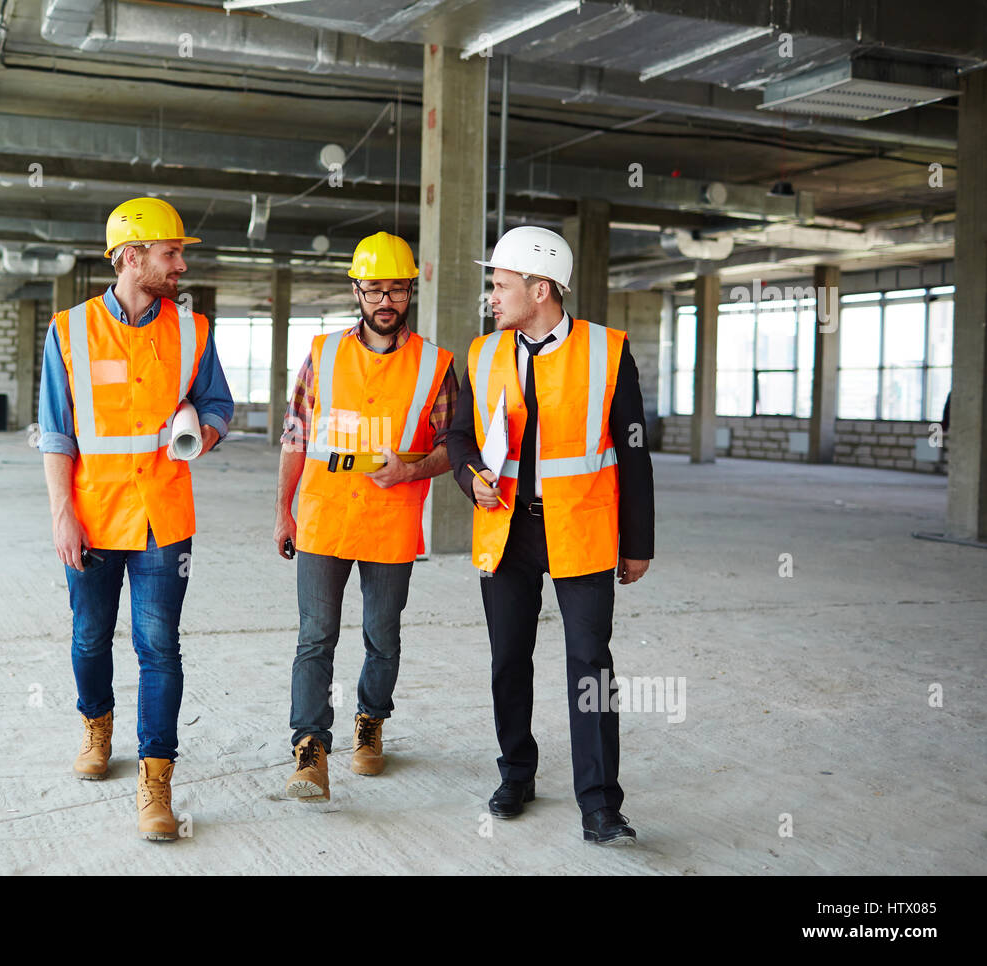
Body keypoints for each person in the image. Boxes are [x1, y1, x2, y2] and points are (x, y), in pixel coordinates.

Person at [445, 225, 654, 844]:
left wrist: (637, 542)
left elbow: (635, 453)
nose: (492, 295)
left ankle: (600, 804)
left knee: (590, 665)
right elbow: (460, 436)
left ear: (541, 290)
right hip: (505, 534)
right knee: (509, 660)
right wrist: (471, 475)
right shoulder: (483, 354)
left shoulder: (609, 351)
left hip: (582, 531)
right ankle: (516, 771)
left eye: (501, 284)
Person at [36, 197, 233, 841]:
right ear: (131, 257)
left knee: (159, 649)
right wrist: (63, 515)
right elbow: (58, 435)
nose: (181, 264)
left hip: (163, 519)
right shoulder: (69, 331)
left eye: (180, 254)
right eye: (171, 253)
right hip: (93, 518)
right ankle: (97, 725)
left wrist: (201, 432)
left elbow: (218, 404)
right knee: (90, 639)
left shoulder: (194, 329)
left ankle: (157, 780)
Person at [274, 231, 458, 801]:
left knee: (382, 637)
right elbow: (296, 437)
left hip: (391, 519)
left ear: (410, 293)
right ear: (356, 290)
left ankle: (370, 725)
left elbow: (458, 446)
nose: (386, 302)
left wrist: (409, 471)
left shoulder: (435, 365)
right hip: (325, 517)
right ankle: (310, 748)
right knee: (316, 636)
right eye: (375, 289)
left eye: (397, 290)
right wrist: (284, 511)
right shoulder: (324, 354)